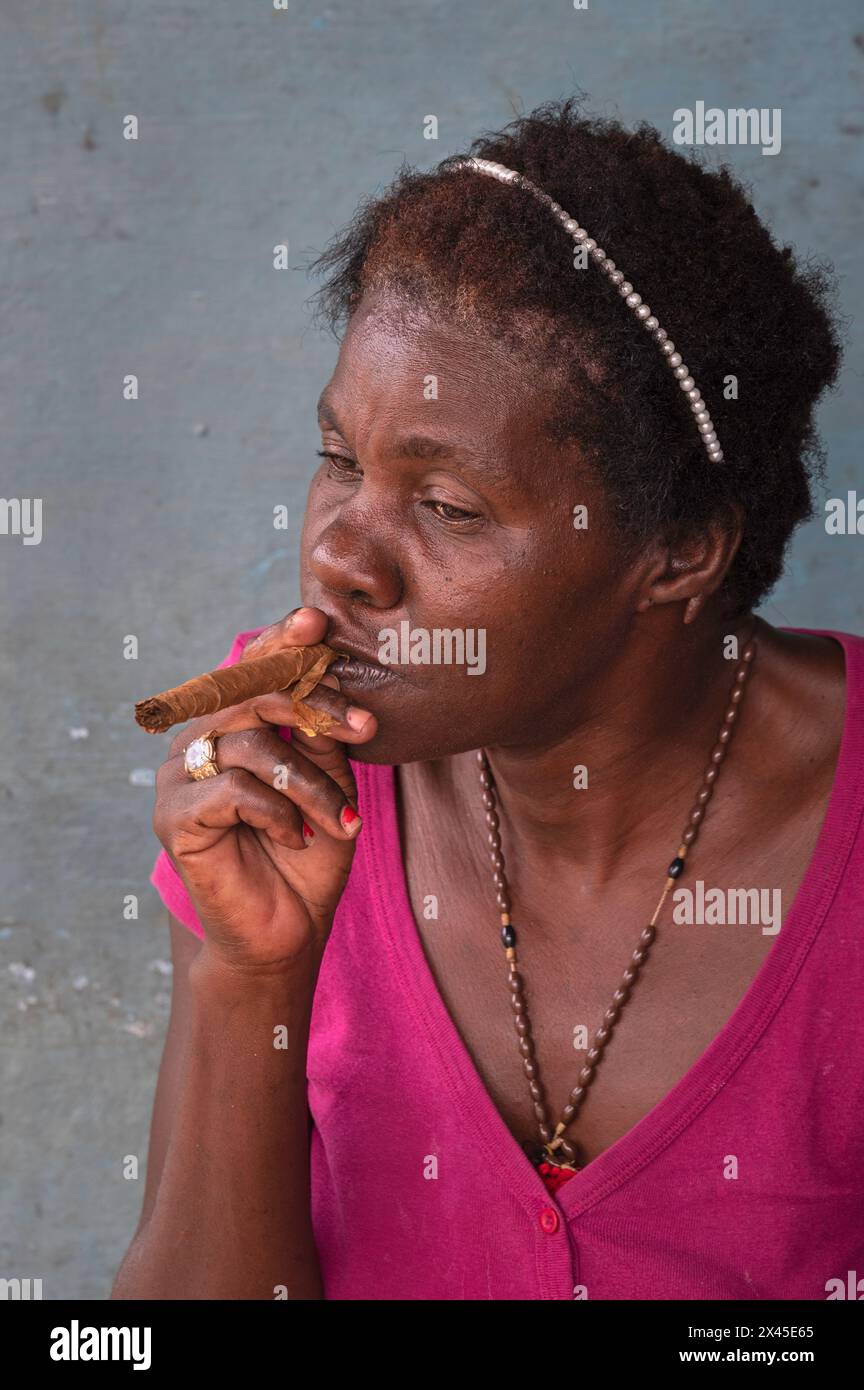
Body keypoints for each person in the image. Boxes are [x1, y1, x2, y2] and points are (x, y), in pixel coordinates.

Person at [112, 99, 863, 1301]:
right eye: (340, 460)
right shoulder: (275, 787)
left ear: (677, 554)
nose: (340, 559)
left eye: (449, 508)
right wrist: (249, 978)